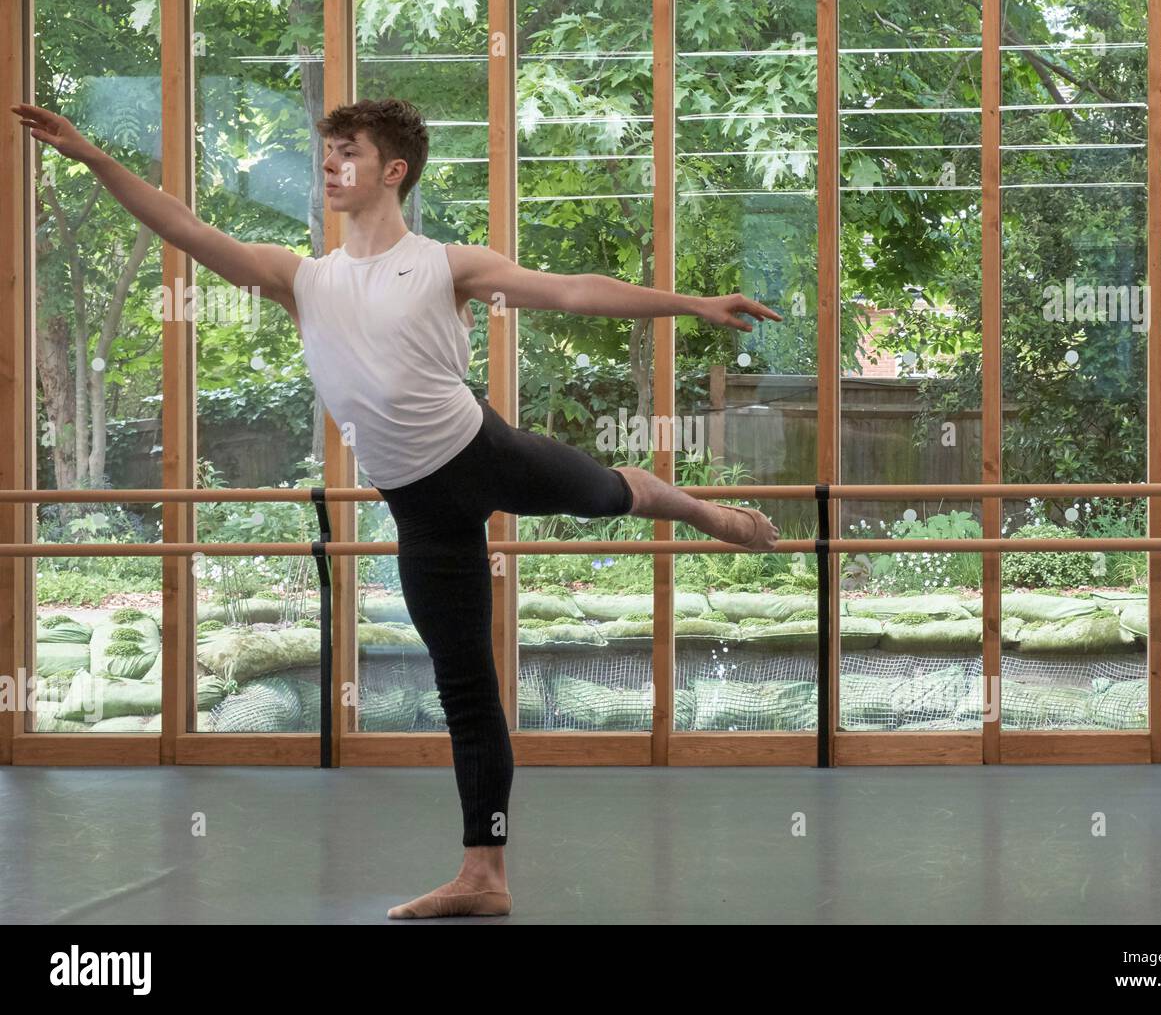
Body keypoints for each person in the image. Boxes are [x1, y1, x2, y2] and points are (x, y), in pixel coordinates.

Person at [11, 97, 783, 919]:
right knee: (466, 687)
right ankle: (484, 875)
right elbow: (187, 229)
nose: (331, 167)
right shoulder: (301, 278)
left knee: (606, 496)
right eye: (327, 154)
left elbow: (570, 292)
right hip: (419, 509)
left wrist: (692, 305)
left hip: (484, 451)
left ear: (393, 170)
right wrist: (91, 156)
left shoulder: (446, 265)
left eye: (348, 153)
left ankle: (676, 500)